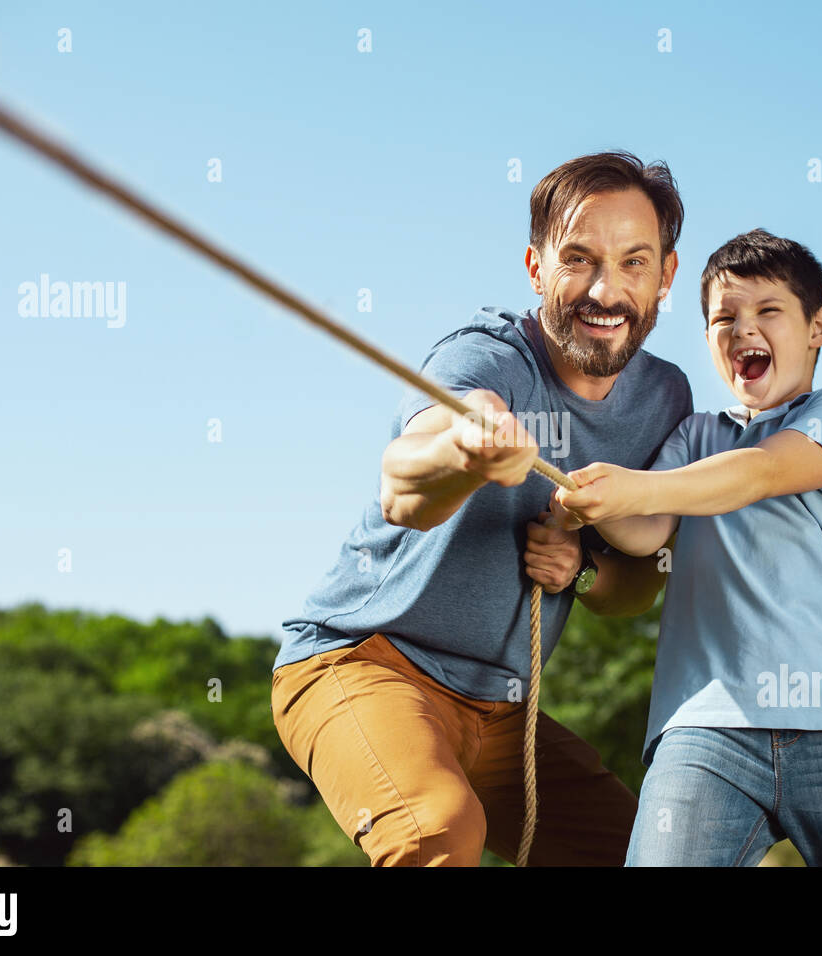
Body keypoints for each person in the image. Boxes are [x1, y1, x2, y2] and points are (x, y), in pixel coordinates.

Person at [271, 151, 693, 866]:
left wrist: (581, 572)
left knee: (651, 855)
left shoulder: (665, 400)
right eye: (578, 258)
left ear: (666, 276)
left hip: (502, 712)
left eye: (634, 262)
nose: (606, 290)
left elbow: (644, 579)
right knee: (436, 832)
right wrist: (467, 449)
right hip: (362, 663)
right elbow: (403, 487)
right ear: (535, 268)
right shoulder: (484, 359)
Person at [552, 228, 822, 866]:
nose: (743, 329)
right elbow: (647, 529)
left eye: (768, 310)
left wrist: (632, 489)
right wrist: (591, 502)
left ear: (818, 327)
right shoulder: (694, 436)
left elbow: (761, 471)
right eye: (723, 318)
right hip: (706, 728)